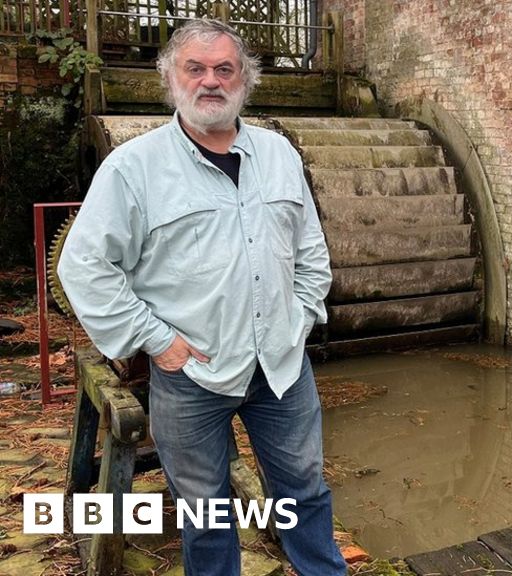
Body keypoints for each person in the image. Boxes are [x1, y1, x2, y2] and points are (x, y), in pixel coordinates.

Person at [57, 19, 347, 576]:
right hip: (191, 376)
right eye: (195, 68)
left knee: (305, 490)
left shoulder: (280, 153)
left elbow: (311, 250)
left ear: (245, 81)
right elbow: (85, 265)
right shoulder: (134, 168)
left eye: (224, 69)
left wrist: (304, 315)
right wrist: (156, 341)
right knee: (206, 512)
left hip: (282, 368)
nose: (210, 81)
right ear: (171, 79)